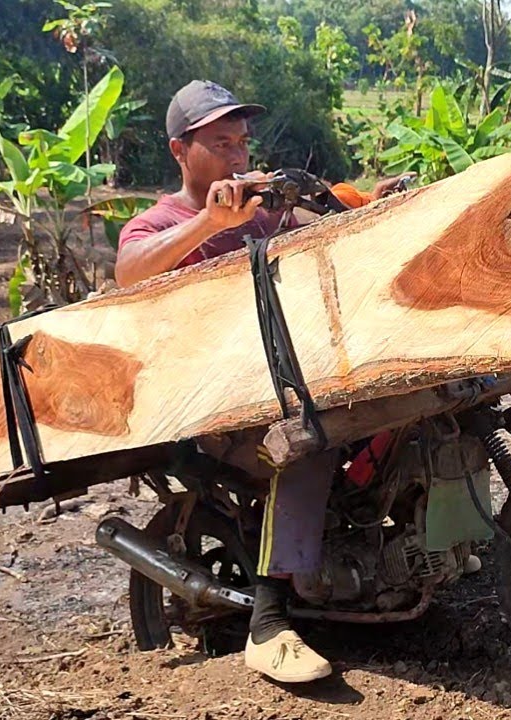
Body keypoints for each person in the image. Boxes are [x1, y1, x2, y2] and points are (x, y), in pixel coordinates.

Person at [115, 80, 403, 683]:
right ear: (179, 151)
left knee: (411, 399)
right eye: (221, 143)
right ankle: (269, 624)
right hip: (216, 407)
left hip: (284, 381)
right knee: (309, 432)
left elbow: (328, 223)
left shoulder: (265, 211)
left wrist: (369, 205)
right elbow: (128, 273)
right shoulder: (156, 223)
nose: (237, 155)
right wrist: (207, 222)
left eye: (242, 142)